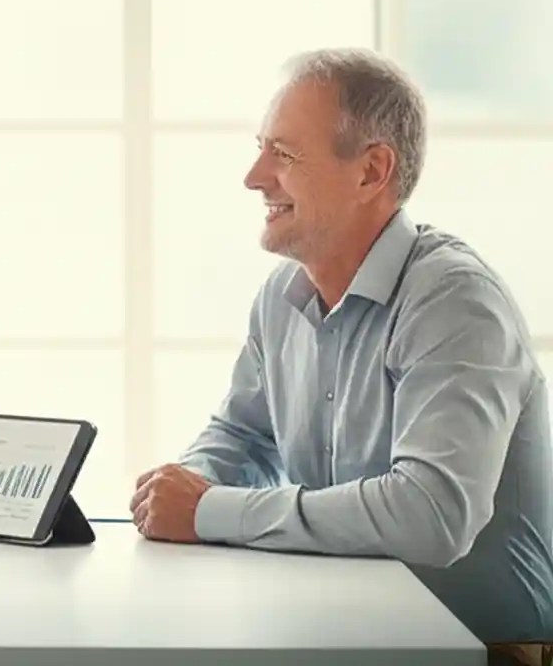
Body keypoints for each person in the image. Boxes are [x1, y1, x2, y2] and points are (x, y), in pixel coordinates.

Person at [129, 48, 553, 657]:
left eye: (284, 154)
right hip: (346, 634)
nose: (254, 177)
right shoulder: (282, 295)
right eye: (260, 148)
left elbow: (431, 515)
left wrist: (209, 511)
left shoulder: (455, 301)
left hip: (486, 649)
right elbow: (244, 436)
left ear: (371, 172)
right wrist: (183, 488)